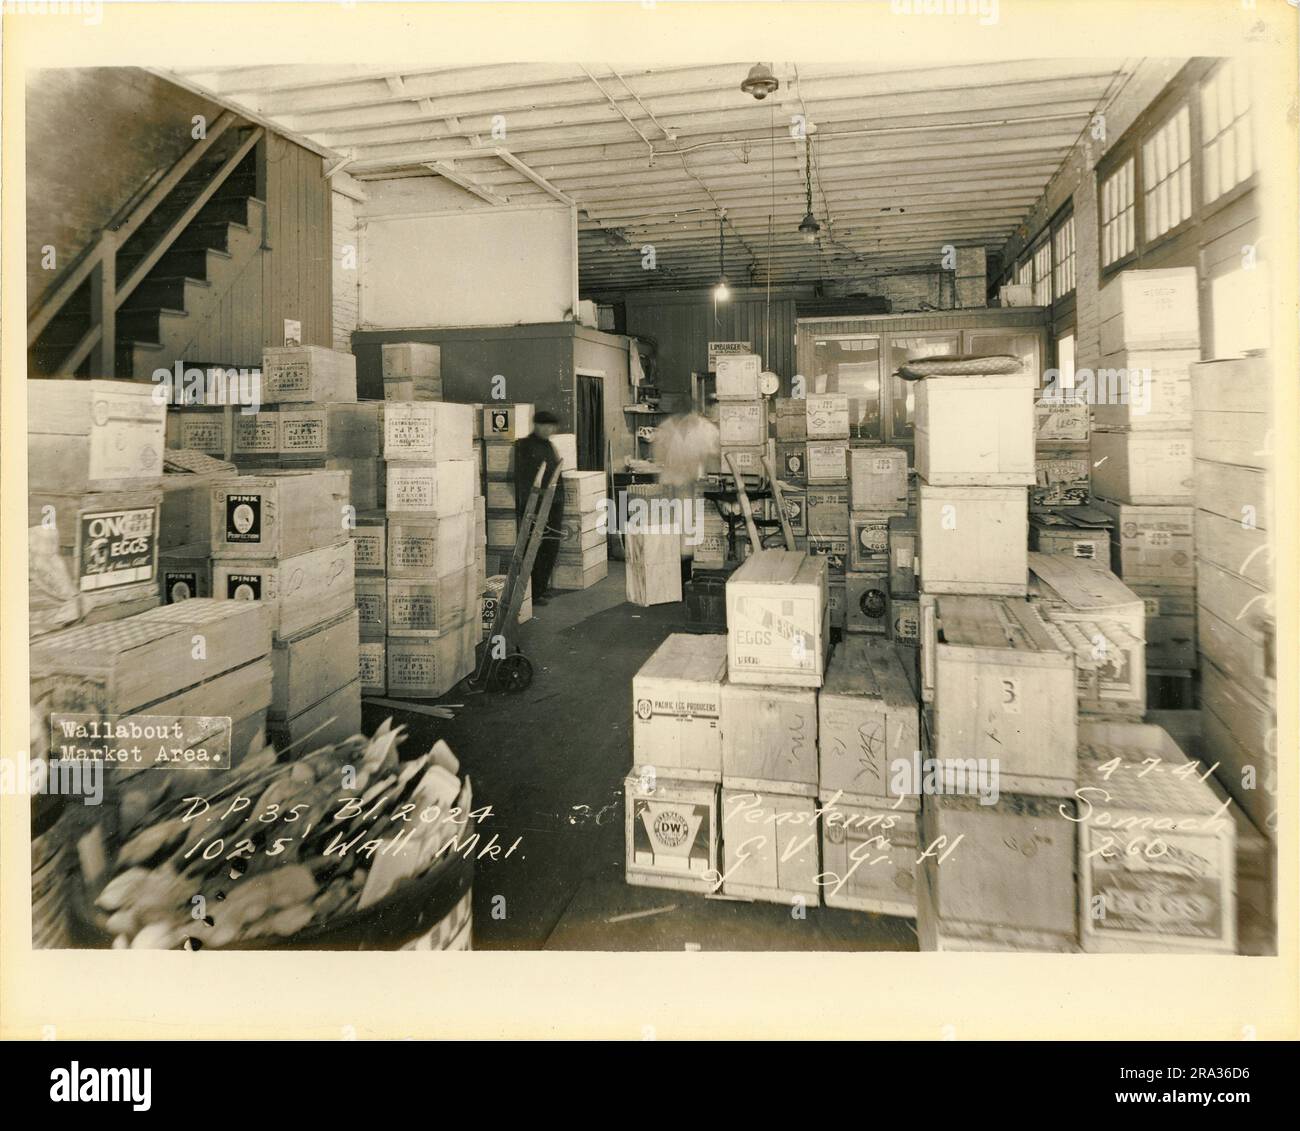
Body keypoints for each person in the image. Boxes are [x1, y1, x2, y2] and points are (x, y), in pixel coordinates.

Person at [513, 410, 566, 605]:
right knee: (533, 546)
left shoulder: (550, 446)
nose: (548, 429)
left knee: (550, 546)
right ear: (535, 425)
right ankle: (531, 593)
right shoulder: (524, 445)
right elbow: (522, 479)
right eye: (544, 425)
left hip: (554, 504)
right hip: (535, 505)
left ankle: (541, 589)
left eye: (551, 426)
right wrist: (532, 504)